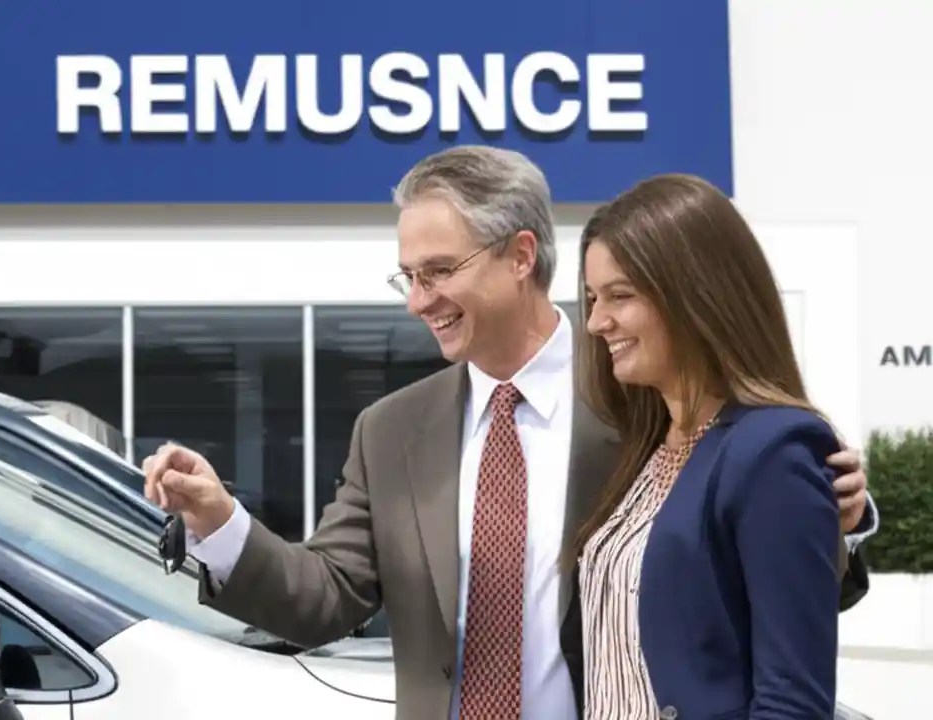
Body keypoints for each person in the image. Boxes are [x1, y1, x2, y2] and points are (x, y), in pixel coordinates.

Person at [141, 146, 877, 720]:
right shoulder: (390, 431)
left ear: (520, 255)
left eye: (438, 271)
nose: (418, 302)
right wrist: (218, 520)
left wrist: (831, 521)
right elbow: (324, 595)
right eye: (407, 277)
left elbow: (748, 593)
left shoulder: (641, 396)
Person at [574, 174, 853, 718]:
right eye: (592, 298)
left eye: (620, 295)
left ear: (695, 295)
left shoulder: (773, 451)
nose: (596, 321)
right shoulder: (643, 447)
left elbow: (792, 700)